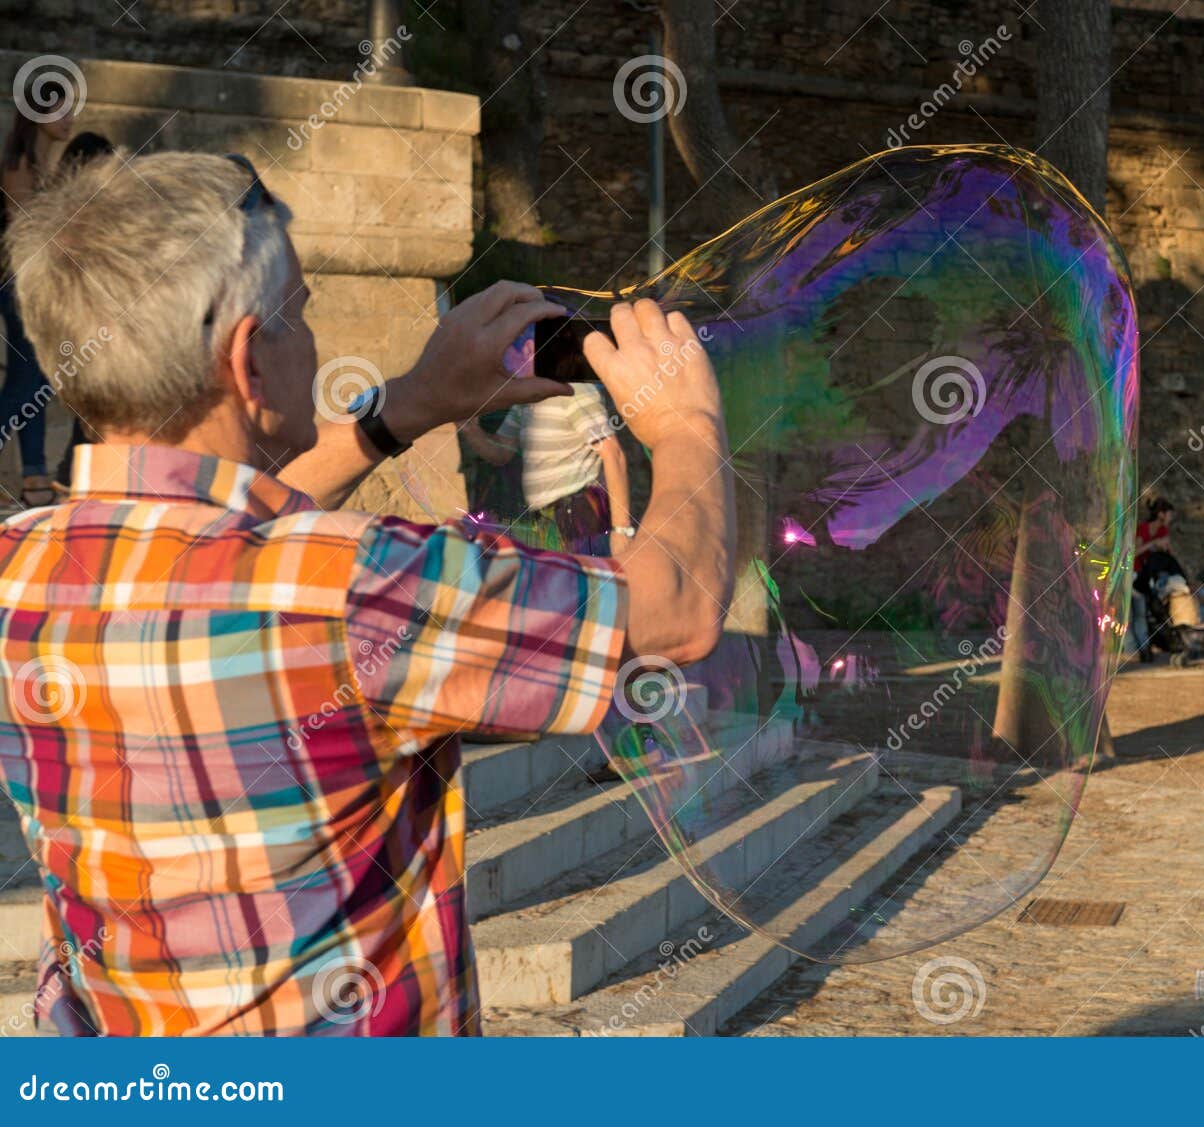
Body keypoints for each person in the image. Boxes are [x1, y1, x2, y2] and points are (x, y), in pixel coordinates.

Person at [0, 151, 734, 1036]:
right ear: (249, 361)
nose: (314, 337)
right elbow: (676, 609)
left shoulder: (19, 568)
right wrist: (686, 426)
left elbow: (210, 537)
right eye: (302, 311)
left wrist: (412, 403)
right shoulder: (359, 587)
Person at [0, 78, 77, 508]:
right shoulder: (18, 166)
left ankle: (34, 478)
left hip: (36, 280)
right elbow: (27, 234)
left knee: (34, 381)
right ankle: (34, 477)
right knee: (27, 381)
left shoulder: (46, 167)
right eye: (59, 109)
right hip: (18, 281)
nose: (69, 118)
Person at [457, 380, 632, 556]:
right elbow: (501, 453)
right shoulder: (526, 398)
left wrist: (621, 530)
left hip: (580, 517)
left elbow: (613, 454)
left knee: (583, 573)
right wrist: (470, 429)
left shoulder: (574, 390)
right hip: (547, 522)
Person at [43, 131, 118, 493]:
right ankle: (68, 472)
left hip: (73, 317)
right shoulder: (85, 211)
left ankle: (69, 473)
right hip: (86, 318)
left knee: (92, 401)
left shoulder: (58, 208)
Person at [1129, 497, 1178, 662]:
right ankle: (1138, 649)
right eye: (1169, 515)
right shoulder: (1143, 528)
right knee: (1136, 614)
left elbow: (1169, 555)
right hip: (1133, 575)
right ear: (1161, 514)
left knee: (1142, 614)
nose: (1171, 518)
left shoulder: (1163, 531)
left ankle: (1145, 650)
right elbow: (1134, 553)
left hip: (1147, 578)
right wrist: (1153, 544)